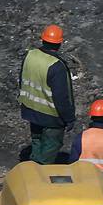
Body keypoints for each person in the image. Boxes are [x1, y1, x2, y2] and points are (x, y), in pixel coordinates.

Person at [18, 24, 76, 164]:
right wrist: (69, 118)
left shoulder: (30, 55)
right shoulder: (57, 66)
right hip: (51, 117)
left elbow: (22, 79)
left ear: (43, 40)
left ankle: (32, 167)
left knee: (37, 142)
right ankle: (40, 175)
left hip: (31, 110)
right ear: (59, 43)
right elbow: (61, 97)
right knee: (50, 148)